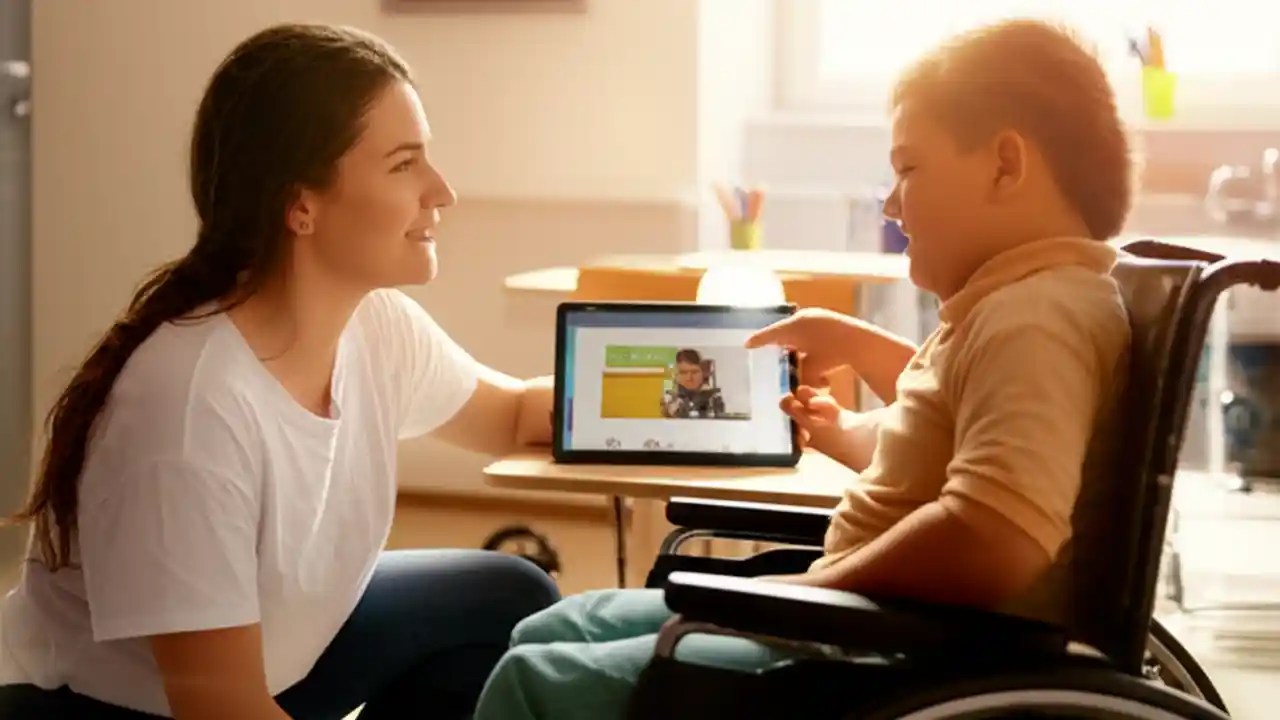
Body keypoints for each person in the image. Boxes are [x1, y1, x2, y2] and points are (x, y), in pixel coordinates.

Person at [472, 18, 1134, 719]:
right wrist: (846, 424)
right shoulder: (1011, 305)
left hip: (895, 653)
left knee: (532, 681)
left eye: (908, 168)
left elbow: (994, 535)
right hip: (872, 625)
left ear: (1006, 164)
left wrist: (816, 590)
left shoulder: (1034, 318)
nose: (890, 201)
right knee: (552, 628)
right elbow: (941, 444)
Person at [0, 23, 560, 720]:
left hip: (276, 662)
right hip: (108, 707)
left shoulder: (374, 326)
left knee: (509, 600)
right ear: (302, 205)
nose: (441, 191)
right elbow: (218, 702)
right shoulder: (189, 406)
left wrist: (694, 397)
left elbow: (512, 416)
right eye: (403, 164)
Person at [660, 349, 726, 419]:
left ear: (703, 373)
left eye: (694, 372)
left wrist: (704, 394)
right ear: (676, 374)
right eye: (683, 373)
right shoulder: (670, 392)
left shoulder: (713, 395)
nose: (689, 378)